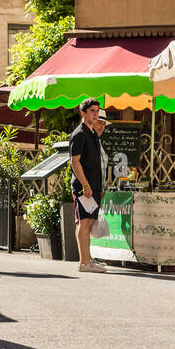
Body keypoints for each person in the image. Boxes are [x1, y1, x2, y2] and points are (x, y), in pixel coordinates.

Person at [69, 98, 107, 273]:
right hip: (83, 186)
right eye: (92, 111)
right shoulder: (80, 133)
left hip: (93, 185)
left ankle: (88, 259)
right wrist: (85, 185)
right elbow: (74, 162)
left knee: (88, 222)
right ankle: (84, 262)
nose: (96, 114)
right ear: (83, 113)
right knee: (84, 222)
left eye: (97, 110)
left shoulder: (91, 133)